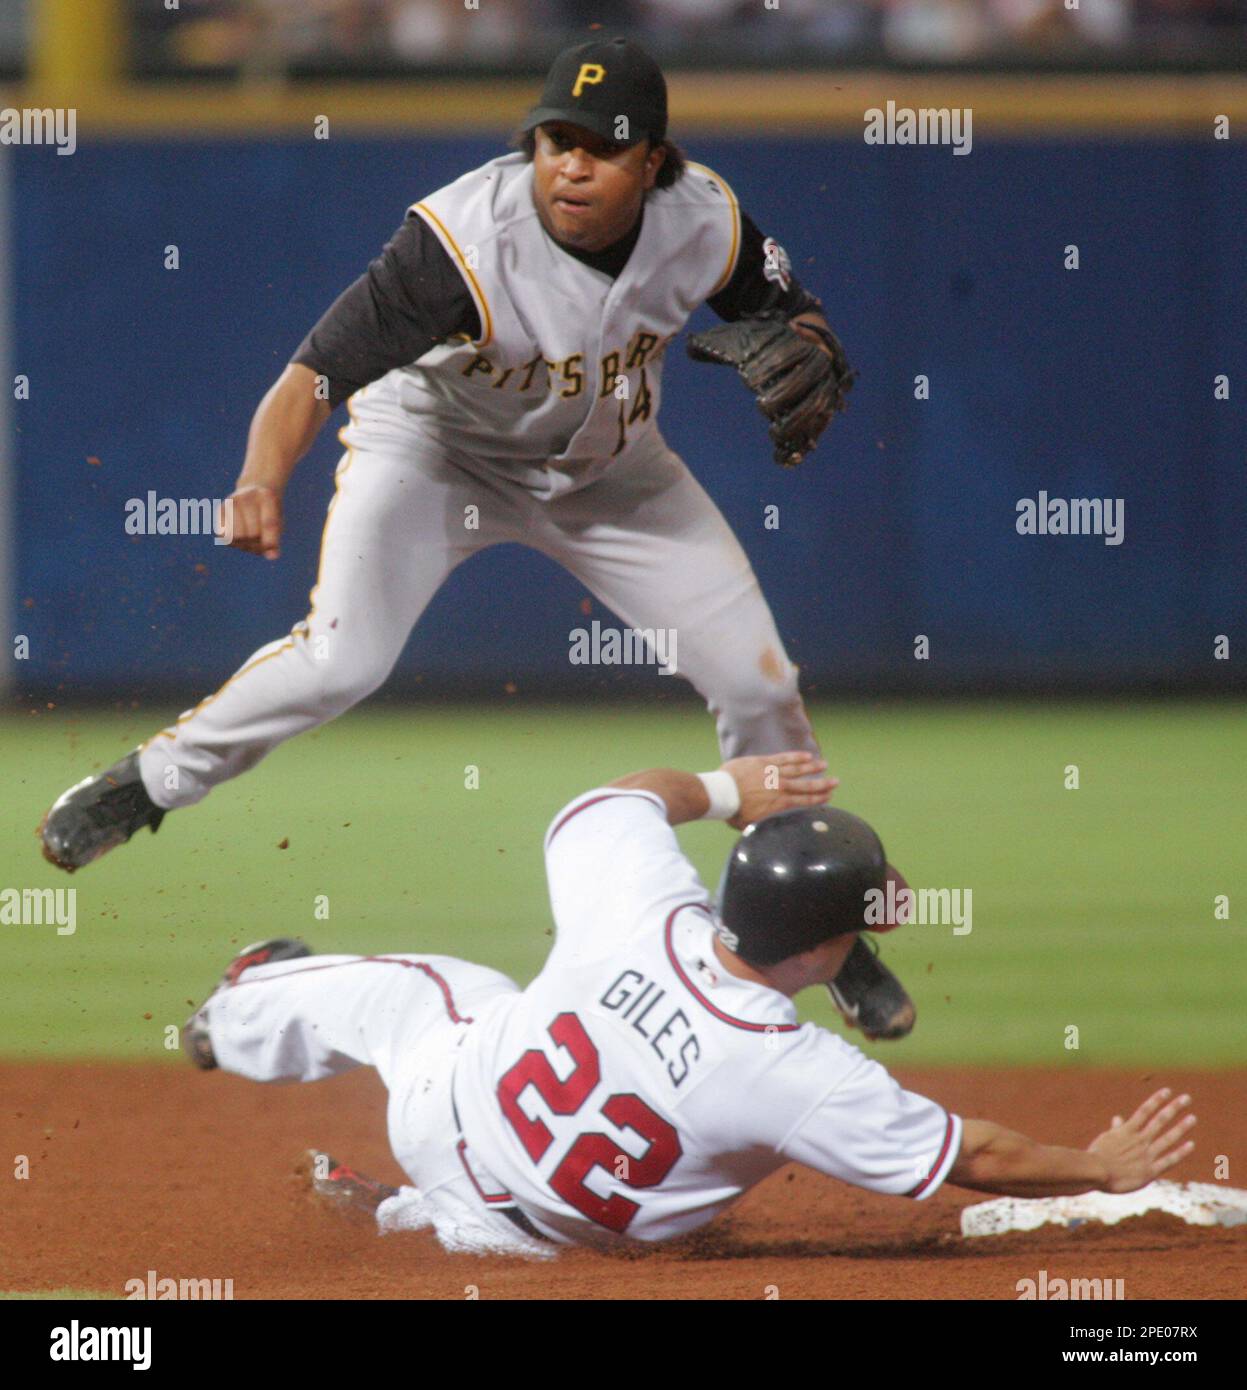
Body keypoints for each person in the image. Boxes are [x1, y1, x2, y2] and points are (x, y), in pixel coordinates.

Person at [39, 34, 902, 1039]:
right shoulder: (458, 244)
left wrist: (810, 342)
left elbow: (794, 315)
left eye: (599, 147)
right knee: (339, 659)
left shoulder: (703, 218)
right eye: (553, 140)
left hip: (612, 475)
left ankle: (817, 918)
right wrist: (259, 477)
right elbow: (310, 378)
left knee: (759, 683)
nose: (569, 165)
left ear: (652, 163)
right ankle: (144, 785)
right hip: (434, 458)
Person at [181, 751, 1196, 1257]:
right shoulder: (794, 1073)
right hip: (536, 1244)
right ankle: (420, 1218)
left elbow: (603, 803)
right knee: (464, 1007)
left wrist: (725, 785)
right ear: (822, 947)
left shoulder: (638, 901)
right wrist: (1101, 1167)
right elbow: (973, 1157)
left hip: (443, 1107)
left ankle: (231, 1016)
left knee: (429, 993)